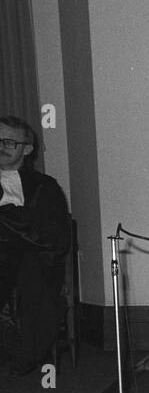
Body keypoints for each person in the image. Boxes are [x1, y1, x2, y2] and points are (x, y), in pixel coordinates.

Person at [0, 115, 72, 376]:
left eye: (8, 142)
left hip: (32, 261)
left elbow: (53, 238)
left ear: (27, 149)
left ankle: (19, 351)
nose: (1, 147)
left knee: (32, 275)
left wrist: (8, 220)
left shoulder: (44, 186)